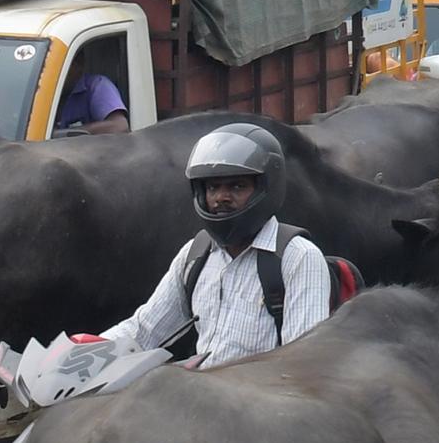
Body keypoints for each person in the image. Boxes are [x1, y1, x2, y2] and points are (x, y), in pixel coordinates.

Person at [102, 123, 332, 365]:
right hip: (199, 395)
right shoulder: (196, 254)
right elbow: (144, 331)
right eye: (213, 187)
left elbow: (301, 365)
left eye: (237, 186)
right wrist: (82, 356)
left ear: (267, 187)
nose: (221, 197)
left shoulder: (298, 258)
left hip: (255, 399)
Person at [54, 57, 130, 134]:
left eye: (60, 66)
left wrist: (68, 133)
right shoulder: (51, 93)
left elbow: (119, 126)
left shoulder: (97, 86)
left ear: (79, 66)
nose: (55, 72)